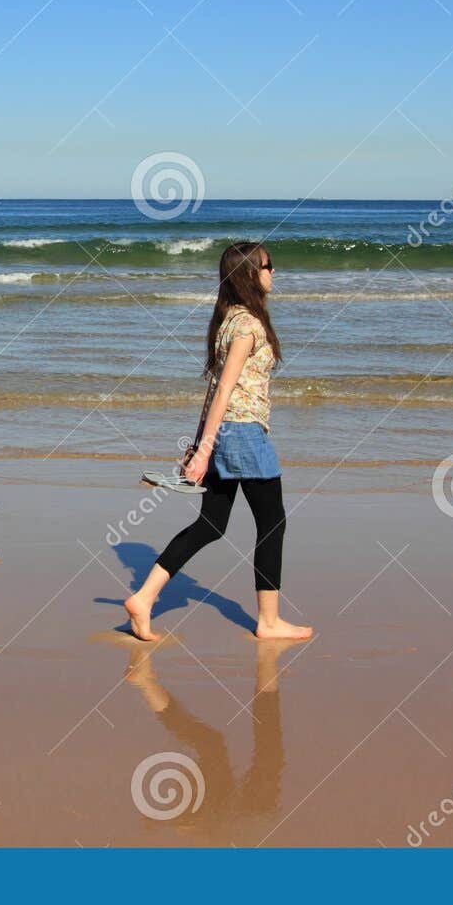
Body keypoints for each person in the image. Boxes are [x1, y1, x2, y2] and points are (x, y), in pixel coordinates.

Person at [123, 241, 312, 642]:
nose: (273, 272)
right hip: (242, 433)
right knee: (272, 524)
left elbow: (212, 391)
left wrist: (198, 445)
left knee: (210, 524)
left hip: (227, 433)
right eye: (267, 266)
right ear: (247, 275)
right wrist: (202, 450)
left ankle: (143, 598)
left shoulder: (228, 321)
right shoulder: (248, 325)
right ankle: (269, 621)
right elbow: (224, 391)